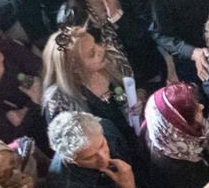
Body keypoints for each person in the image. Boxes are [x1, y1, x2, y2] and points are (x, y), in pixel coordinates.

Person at [43, 26, 144, 165]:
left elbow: (136, 86)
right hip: (107, 162)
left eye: (95, 43)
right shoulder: (60, 103)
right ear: (74, 68)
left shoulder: (109, 61)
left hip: (135, 144)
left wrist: (138, 98)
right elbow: (74, 153)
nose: (101, 50)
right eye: (91, 53)